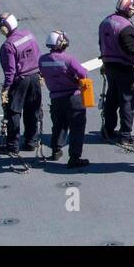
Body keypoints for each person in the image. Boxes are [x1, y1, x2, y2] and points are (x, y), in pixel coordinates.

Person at [98, 0, 134, 143]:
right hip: (125, 68)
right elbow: (132, 49)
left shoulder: (105, 22)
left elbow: (101, 43)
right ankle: (125, 135)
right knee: (126, 102)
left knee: (111, 99)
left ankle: (107, 130)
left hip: (110, 66)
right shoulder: (125, 27)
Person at [37, 31, 91, 168]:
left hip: (56, 98)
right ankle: (74, 157)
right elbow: (83, 73)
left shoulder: (42, 59)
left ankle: (56, 150)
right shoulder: (68, 59)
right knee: (77, 128)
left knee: (59, 125)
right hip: (73, 98)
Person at [0, 13, 42, 154]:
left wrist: (6, 88)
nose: (0, 30)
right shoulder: (29, 35)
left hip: (20, 81)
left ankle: (12, 146)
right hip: (34, 77)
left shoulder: (8, 45)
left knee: (14, 113)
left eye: (1, 27)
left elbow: (10, 70)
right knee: (33, 110)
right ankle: (31, 142)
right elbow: (38, 55)